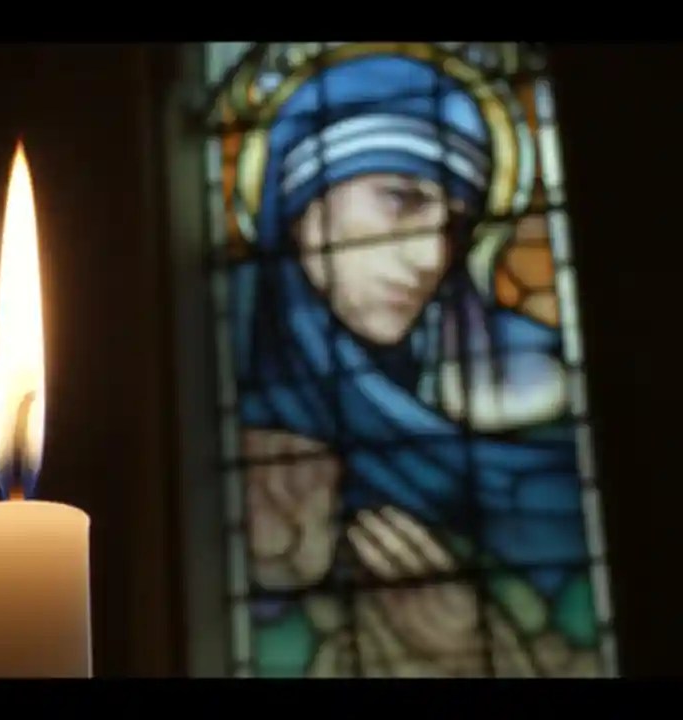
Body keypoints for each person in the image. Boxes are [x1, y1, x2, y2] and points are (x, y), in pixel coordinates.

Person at [231, 49, 602, 676]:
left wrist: (475, 648)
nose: (432, 256)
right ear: (301, 202)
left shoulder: (533, 397)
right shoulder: (222, 424)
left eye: (455, 226)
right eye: (401, 199)